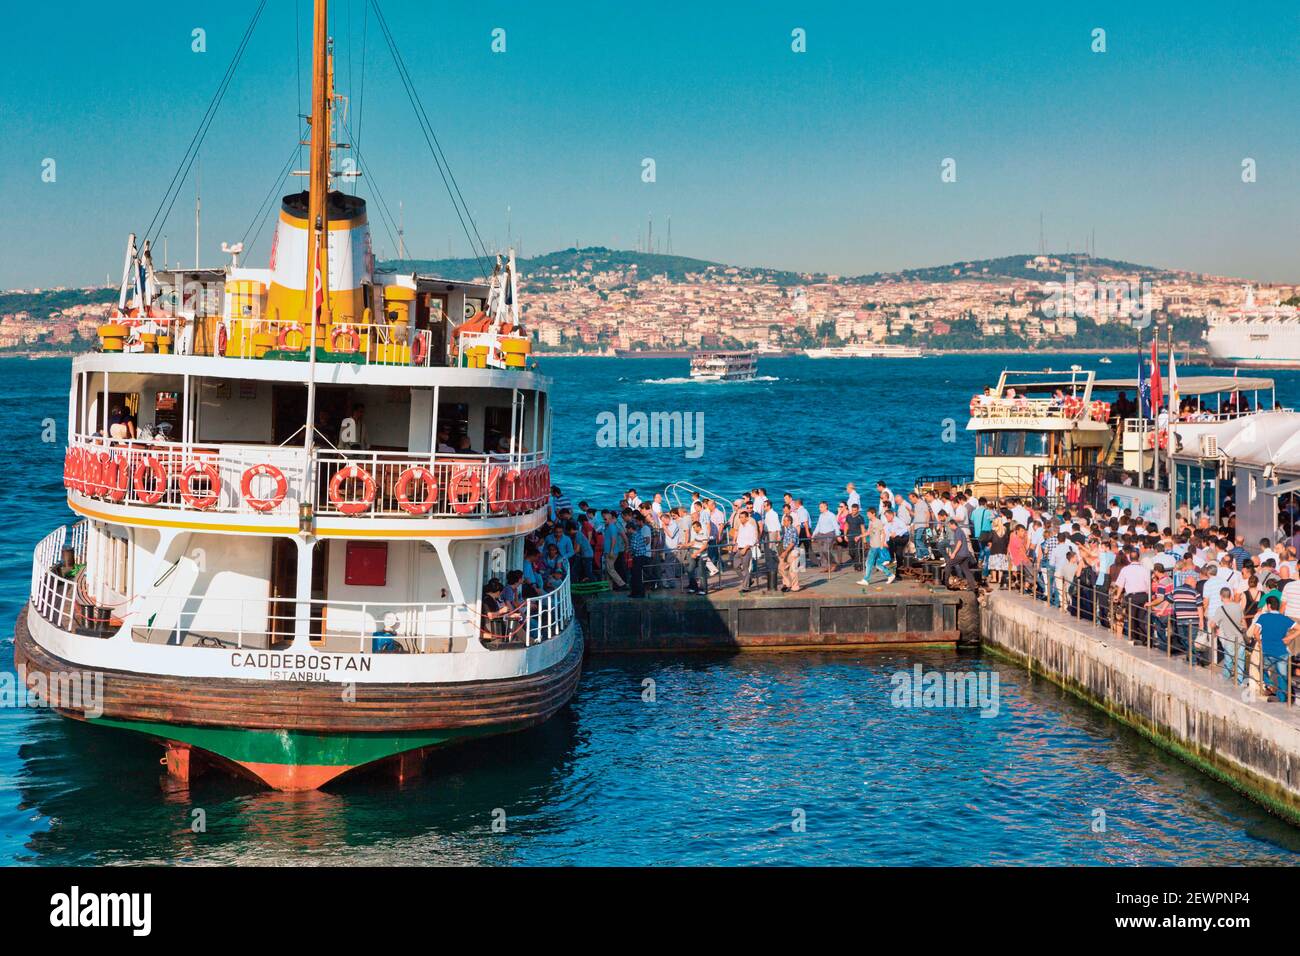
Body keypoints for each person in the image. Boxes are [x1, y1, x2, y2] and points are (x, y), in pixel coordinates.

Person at [1250, 596, 1299, 701]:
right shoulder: (1284, 618)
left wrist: (1260, 642)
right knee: (1282, 676)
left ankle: (1270, 686)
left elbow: (1255, 632)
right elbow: (1298, 629)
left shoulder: (1263, 617)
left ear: (1268, 606)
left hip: (1268, 651)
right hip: (1282, 652)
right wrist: (1288, 638)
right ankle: (1282, 699)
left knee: (1262, 668)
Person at [943, 518, 979, 591]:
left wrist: (953, 554)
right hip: (965, 554)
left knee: (948, 564)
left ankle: (945, 584)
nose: (949, 528)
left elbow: (959, 543)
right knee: (966, 570)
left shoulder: (958, 531)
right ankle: (973, 586)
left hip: (961, 554)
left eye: (950, 526)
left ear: (953, 524)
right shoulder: (960, 531)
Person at [735, 509, 760, 593]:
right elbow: (739, 537)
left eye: (742, 517)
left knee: (745, 569)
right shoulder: (741, 526)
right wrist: (736, 545)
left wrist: (745, 548)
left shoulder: (751, 527)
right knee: (736, 566)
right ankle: (748, 580)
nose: (740, 519)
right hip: (739, 549)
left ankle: (745, 587)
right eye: (740, 517)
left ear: (747, 518)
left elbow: (753, 539)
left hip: (747, 550)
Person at [686, 519, 711, 594]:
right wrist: (684, 545)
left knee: (701, 573)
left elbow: (705, 545)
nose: (693, 529)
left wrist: (696, 553)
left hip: (702, 556)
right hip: (696, 555)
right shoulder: (697, 534)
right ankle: (694, 587)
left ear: (699, 527)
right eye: (693, 527)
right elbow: (693, 542)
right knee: (690, 570)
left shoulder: (703, 533)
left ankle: (703, 589)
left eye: (694, 527)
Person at [779, 513, 801, 592]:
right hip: (786, 551)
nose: (783, 522)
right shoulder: (786, 530)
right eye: (783, 521)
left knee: (793, 570)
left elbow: (792, 542)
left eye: (785, 521)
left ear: (789, 522)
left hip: (793, 551)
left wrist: (785, 552)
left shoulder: (792, 529)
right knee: (781, 568)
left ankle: (795, 586)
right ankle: (787, 583)